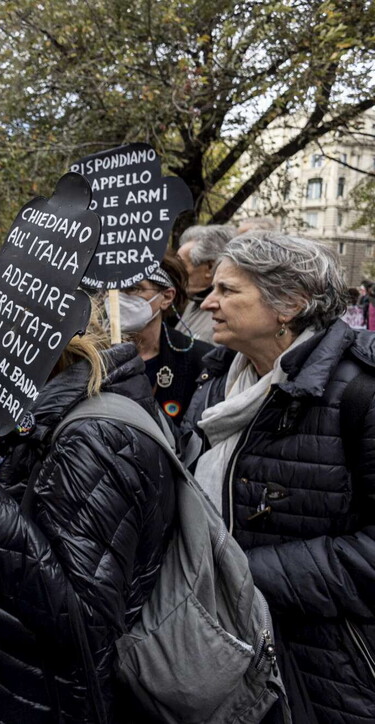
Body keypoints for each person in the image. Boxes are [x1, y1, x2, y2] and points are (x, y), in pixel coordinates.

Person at [0, 302, 176, 722]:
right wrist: (11, 439)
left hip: (50, 700)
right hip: (16, 682)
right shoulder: (65, 414)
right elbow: (54, 517)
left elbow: (83, 625)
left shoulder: (96, 437)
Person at [182, 232, 375, 723]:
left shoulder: (360, 393)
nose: (209, 302)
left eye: (228, 291)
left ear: (289, 303)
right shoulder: (216, 379)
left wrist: (245, 574)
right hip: (225, 652)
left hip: (328, 669)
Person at [119, 251, 213, 423]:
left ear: (166, 297)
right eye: (112, 289)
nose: (119, 298)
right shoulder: (90, 357)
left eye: (133, 288)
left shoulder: (201, 359)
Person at [176, 224, 237, 342]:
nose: (178, 274)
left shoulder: (227, 314)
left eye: (182, 266)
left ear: (210, 267)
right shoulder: (193, 303)